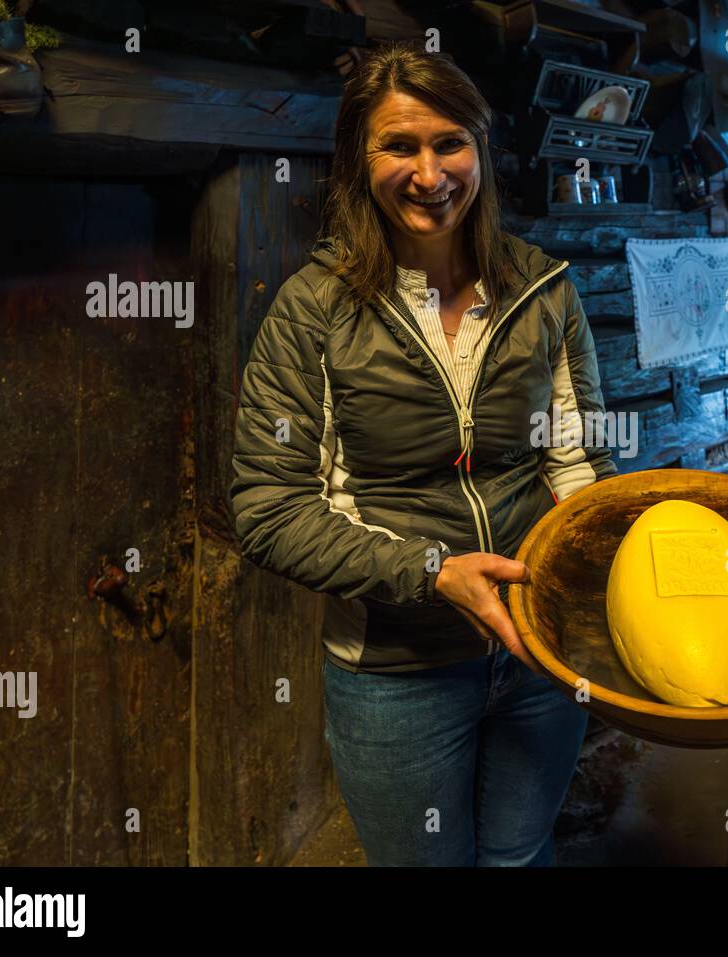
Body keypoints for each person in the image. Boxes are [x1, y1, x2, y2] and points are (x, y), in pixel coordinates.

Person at [229, 41, 618, 866]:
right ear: (357, 161)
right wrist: (436, 571)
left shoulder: (544, 290)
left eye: (449, 143)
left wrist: (600, 572)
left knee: (519, 853)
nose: (429, 172)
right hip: (397, 669)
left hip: (540, 648)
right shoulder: (316, 311)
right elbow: (269, 509)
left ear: (480, 149)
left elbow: (575, 459)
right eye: (399, 146)